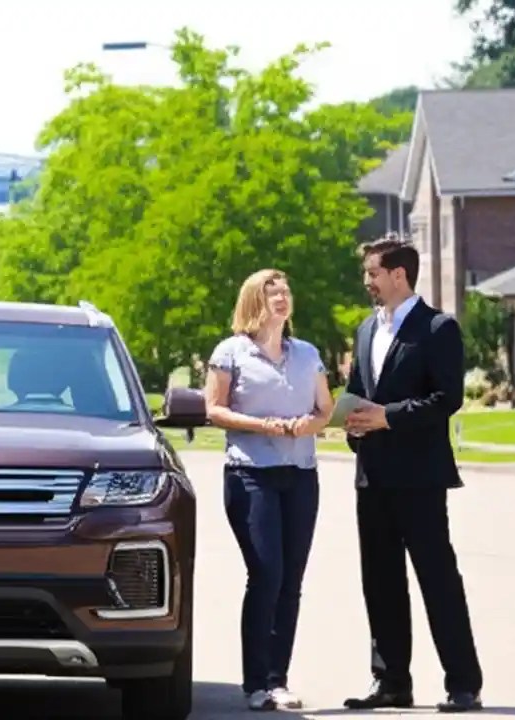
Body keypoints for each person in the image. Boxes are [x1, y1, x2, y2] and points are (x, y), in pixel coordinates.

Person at [341, 237, 484, 713]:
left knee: (438, 580)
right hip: (372, 479)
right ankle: (391, 683)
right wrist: (354, 425)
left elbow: (447, 399)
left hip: (421, 479)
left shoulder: (438, 328)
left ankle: (463, 684)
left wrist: (389, 416)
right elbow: (359, 391)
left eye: (372, 274)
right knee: (379, 582)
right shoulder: (366, 331)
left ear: (398, 275)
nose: (367, 282)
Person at [204, 268, 333, 711]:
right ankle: (255, 682)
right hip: (250, 475)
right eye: (271, 292)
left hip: (300, 475)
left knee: (291, 582)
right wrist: (263, 426)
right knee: (267, 575)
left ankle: (278, 680)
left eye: (285, 292)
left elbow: (325, 408)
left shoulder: (307, 354)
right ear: (253, 301)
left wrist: (307, 425)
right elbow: (214, 410)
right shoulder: (231, 353)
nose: (282, 298)